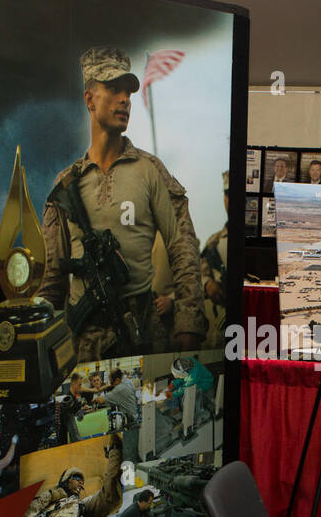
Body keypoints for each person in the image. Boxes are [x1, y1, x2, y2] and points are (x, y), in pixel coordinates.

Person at [39, 46, 205, 360]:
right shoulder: (66, 185)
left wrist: (188, 322)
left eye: (128, 92)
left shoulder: (150, 171)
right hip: (82, 342)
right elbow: (53, 275)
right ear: (90, 99)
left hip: (141, 332)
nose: (124, 99)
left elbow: (183, 246)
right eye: (113, 89)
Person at [23, 431, 124, 517]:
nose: (81, 483)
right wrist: (51, 495)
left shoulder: (82, 506)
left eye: (82, 481)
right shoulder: (46, 502)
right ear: (65, 481)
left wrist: (115, 451)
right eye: (77, 478)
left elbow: (110, 498)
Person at [200, 170, 229, 347]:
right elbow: (199, 274)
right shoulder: (214, 241)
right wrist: (207, 284)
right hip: (221, 324)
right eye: (227, 194)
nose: (230, 199)